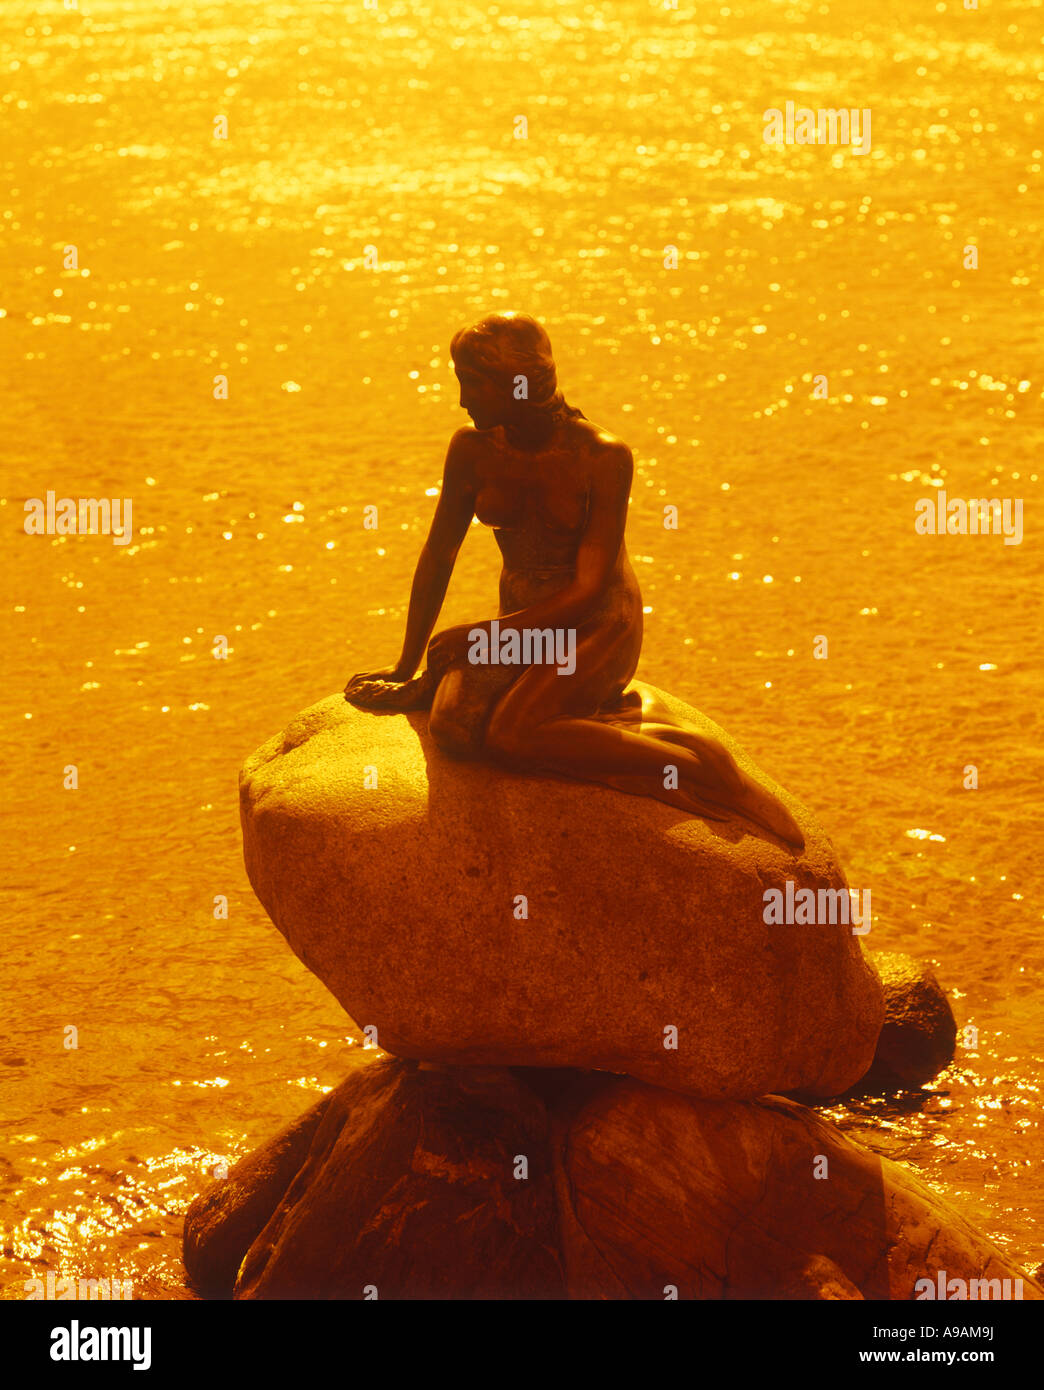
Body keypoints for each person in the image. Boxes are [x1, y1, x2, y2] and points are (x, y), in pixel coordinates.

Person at [345, 311, 802, 847]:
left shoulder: (601, 456)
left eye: (473, 383)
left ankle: (708, 768)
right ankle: (600, 725)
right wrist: (407, 662)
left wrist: (486, 637)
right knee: (454, 728)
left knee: (512, 733)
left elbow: (587, 589)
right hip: (525, 623)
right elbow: (439, 553)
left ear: (520, 383)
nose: (463, 399)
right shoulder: (472, 449)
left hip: (596, 621)